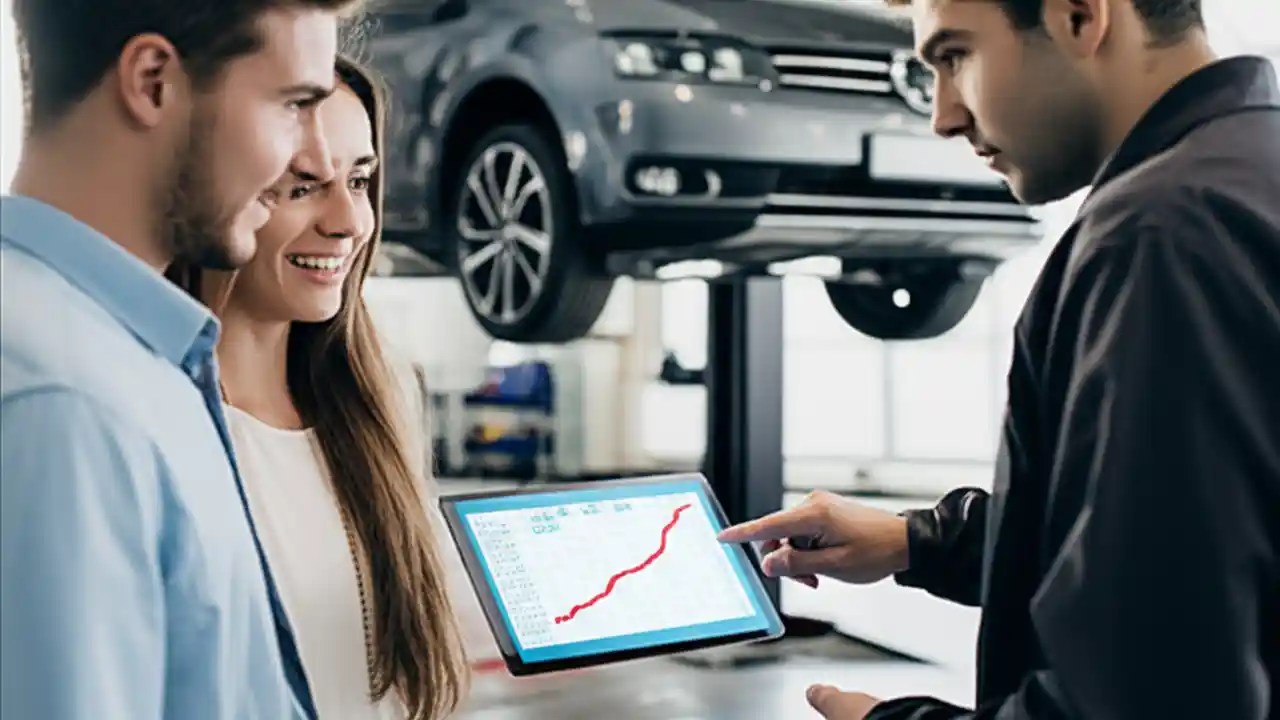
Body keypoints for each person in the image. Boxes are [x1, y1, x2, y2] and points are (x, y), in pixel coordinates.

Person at [718, 0, 1280, 718]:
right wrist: (917, 543)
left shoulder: (1159, 234)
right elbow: (1189, 553)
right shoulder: (1249, 169)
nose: (943, 115)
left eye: (955, 56)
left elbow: (1155, 693)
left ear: (1079, 17)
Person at [0, 1, 359, 718]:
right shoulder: (65, 408)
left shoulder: (140, 360)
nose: (305, 159)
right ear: (154, 81)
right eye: (293, 106)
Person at [166, 57, 470, 720]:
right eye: (302, 187)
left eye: (360, 180)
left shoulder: (381, 392)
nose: (349, 222)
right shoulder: (157, 421)